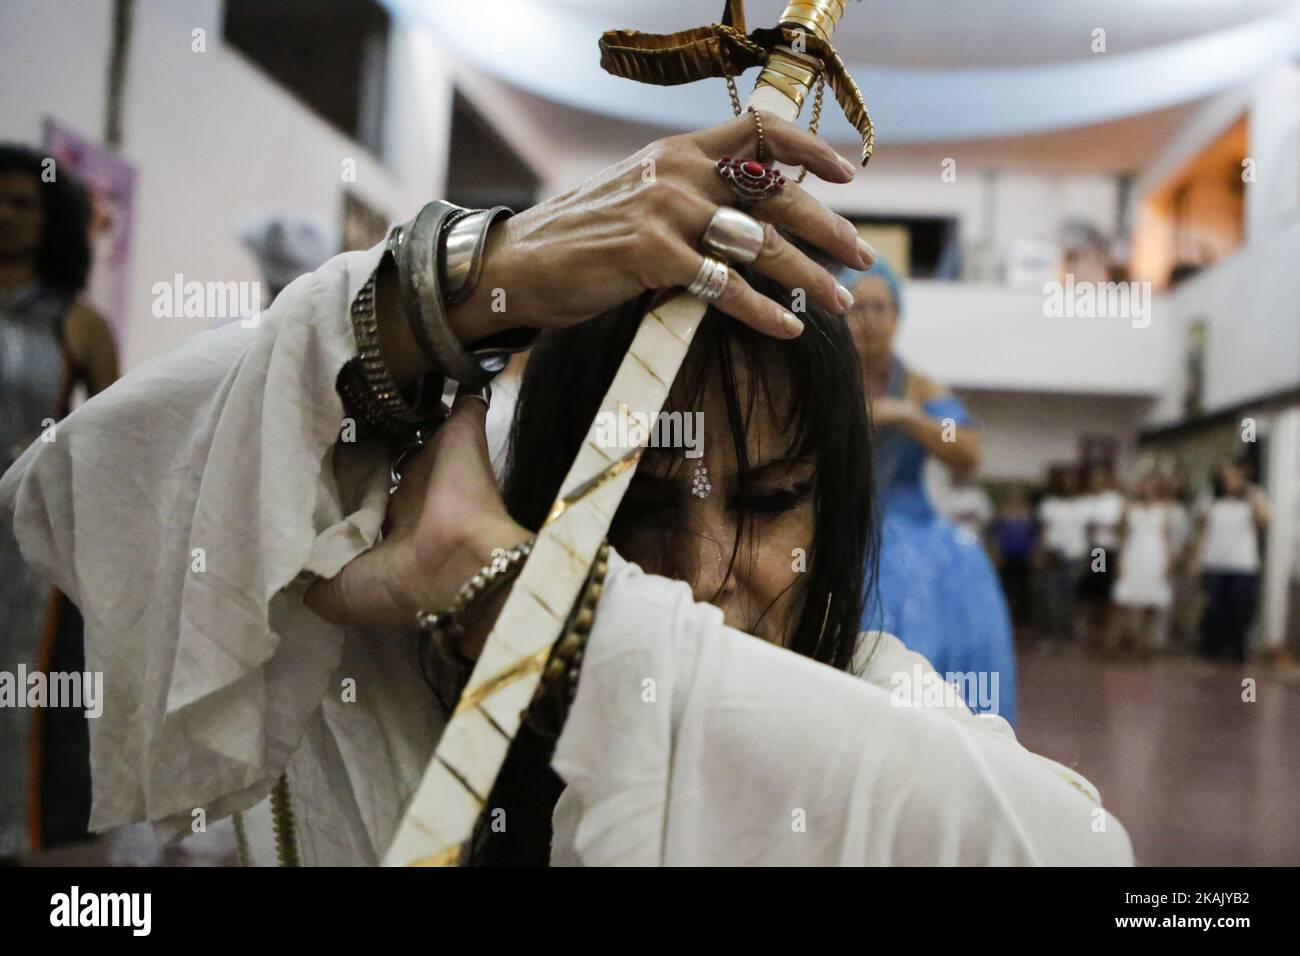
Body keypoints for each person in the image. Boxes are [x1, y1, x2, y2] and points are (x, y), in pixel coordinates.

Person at [1, 114, 1129, 865]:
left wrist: (529, 602)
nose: (699, 576)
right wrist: (478, 276)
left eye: (770, 499)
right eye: (634, 508)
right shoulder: (400, 684)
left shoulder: (879, 705)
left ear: (832, 505)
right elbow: (88, 479)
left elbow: (1079, 853)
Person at [0, 144, 119, 858]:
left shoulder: (78, 324)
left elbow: (114, 435)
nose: (6, 216)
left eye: (24, 202)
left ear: (55, 218)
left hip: (30, 540)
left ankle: (26, 835)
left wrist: (46, 459)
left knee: (28, 690)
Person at [842, 259, 1016, 724]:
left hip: (912, 526)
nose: (869, 319)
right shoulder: (826, 378)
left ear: (897, 317)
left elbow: (968, 452)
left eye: (880, 307)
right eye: (857, 307)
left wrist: (906, 416)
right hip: (839, 522)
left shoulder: (920, 386)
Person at [1196, 460, 1269, 663]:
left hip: (1243, 564)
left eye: (1235, 476)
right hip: (1215, 562)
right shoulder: (1211, 500)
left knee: (1240, 608)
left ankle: (1237, 650)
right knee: (1215, 607)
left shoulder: (1254, 497)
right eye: (1227, 477)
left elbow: (1263, 520)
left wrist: (1250, 493)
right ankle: (1212, 648)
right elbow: (1202, 529)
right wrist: (1197, 559)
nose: (1231, 481)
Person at [1109, 473, 1173, 657]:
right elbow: (1121, 535)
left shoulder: (1164, 509)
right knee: (1122, 600)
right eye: (1145, 485)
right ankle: (1114, 642)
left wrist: (1168, 560)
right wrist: (1120, 559)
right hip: (1134, 553)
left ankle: (1145, 645)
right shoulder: (1129, 508)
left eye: (1151, 485)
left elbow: (1166, 536)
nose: (1147, 489)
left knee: (1151, 603)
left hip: (1154, 554)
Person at [1036, 465, 1087, 646]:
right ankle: (1052, 633)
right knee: (1052, 596)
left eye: (1072, 480)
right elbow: (1044, 531)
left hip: (1076, 555)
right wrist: (1040, 553)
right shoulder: (1049, 504)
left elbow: (1090, 534)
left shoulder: (1084, 504)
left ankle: (1069, 632)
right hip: (1054, 555)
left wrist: (1096, 563)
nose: (1068, 483)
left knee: (1072, 596)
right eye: (1065, 480)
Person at [1078, 464, 1124, 652]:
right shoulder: (1093, 501)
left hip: (1110, 549)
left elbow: (1120, 526)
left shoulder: (1117, 501)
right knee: (1094, 590)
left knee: (1107, 590)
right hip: (1097, 550)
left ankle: (1105, 630)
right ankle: (1092, 629)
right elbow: (1088, 525)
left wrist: (1107, 527)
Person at [989, 488, 1039, 639]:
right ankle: (1007, 622)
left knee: (1024, 591)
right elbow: (994, 534)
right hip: (1007, 556)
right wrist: (995, 552)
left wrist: (1036, 552)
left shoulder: (1029, 513)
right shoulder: (1002, 513)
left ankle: (1024, 623)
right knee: (1007, 590)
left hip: (1100, 552)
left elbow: (1036, 534)